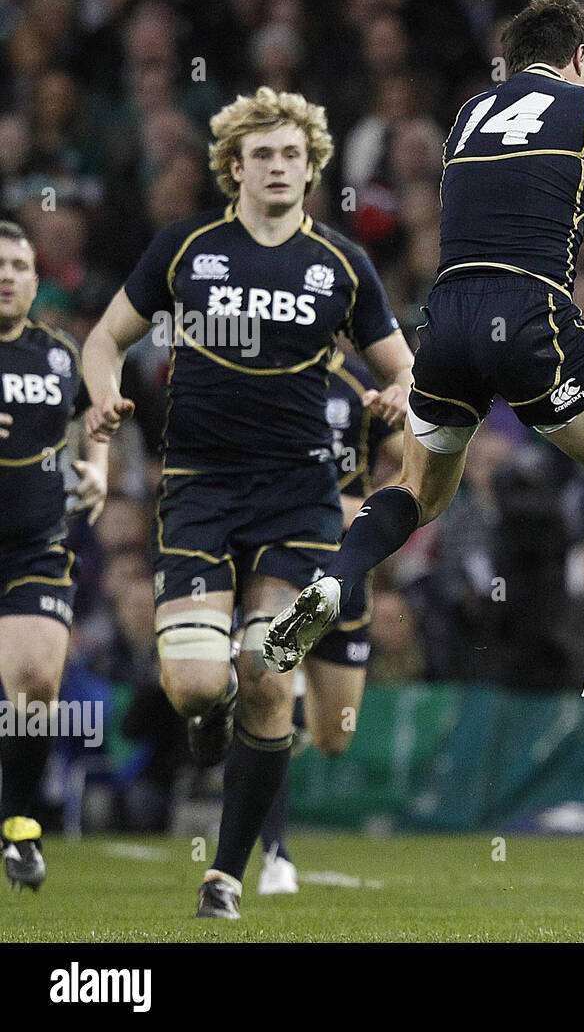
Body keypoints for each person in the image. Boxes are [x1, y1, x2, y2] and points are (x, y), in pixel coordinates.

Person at [263, 0, 584, 752]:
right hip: (530, 315)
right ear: (580, 58)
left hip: (445, 324)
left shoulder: (470, 117)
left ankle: (338, 578)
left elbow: (569, 210)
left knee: (415, 489)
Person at [82, 87, 416, 920]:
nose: (277, 167)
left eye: (291, 156)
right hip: (198, 491)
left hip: (301, 497)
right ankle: (203, 718)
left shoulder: (342, 264)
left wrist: (397, 397)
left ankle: (225, 876)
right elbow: (103, 340)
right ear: (234, 168)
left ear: (312, 170)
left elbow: (404, 368)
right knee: (199, 684)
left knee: (269, 671)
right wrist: (99, 395)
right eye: (261, 155)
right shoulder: (185, 248)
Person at [256, 347, 403, 895]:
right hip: (279, 561)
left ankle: (270, 717)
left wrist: (403, 411)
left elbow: (416, 463)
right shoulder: (259, 376)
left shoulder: (358, 386)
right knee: (270, 699)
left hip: (343, 574)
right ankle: (276, 853)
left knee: (334, 735)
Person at [0, 220, 108, 891]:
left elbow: (99, 413)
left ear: (35, 282)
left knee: (38, 685)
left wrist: (95, 465)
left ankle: (19, 827)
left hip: (33, 548)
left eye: (19, 265)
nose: (7, 275)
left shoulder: (59, 354)